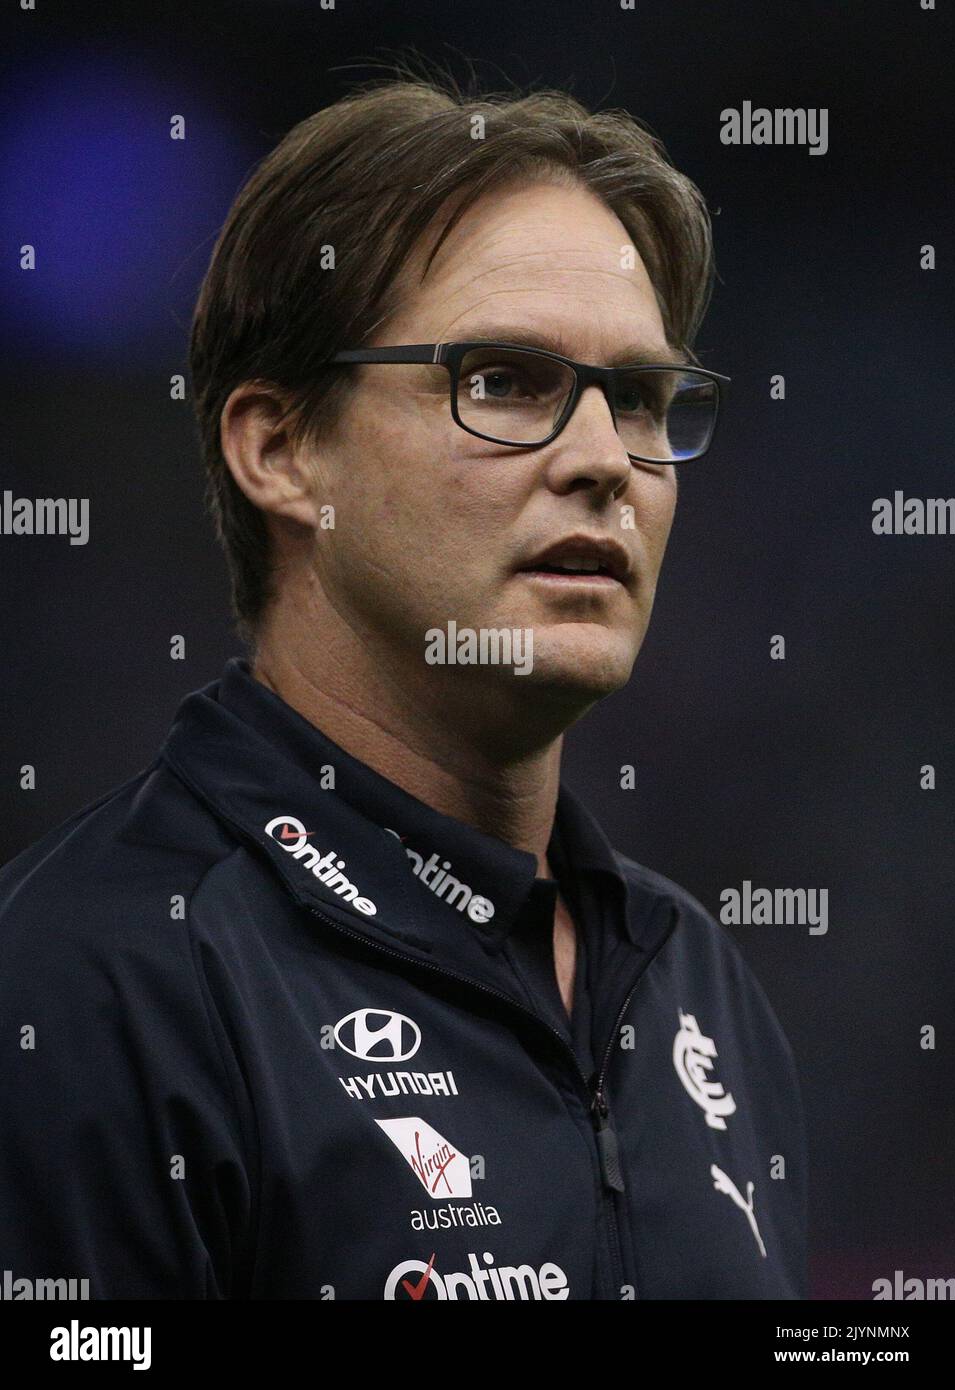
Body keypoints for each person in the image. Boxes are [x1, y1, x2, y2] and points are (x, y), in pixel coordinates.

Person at [0, 69, 806, 1300]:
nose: (605, 463)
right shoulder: (83, 984)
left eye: (640, 399)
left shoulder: (700, 983)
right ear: (278, 449)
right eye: (504, 382)